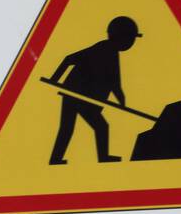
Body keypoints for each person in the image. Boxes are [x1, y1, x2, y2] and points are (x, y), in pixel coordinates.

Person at [48, 16, 142, 165]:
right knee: (97, 126)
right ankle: (102, 157)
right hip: (78, 95)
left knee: (69, 127)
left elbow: (114, 82)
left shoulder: (112, 53)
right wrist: (54, 79)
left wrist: (122, 101)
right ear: (121, 36)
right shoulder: (102, 49)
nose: (131, 43)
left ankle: (55, 159)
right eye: (130, 38)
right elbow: (69, 59)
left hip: (80, 96)